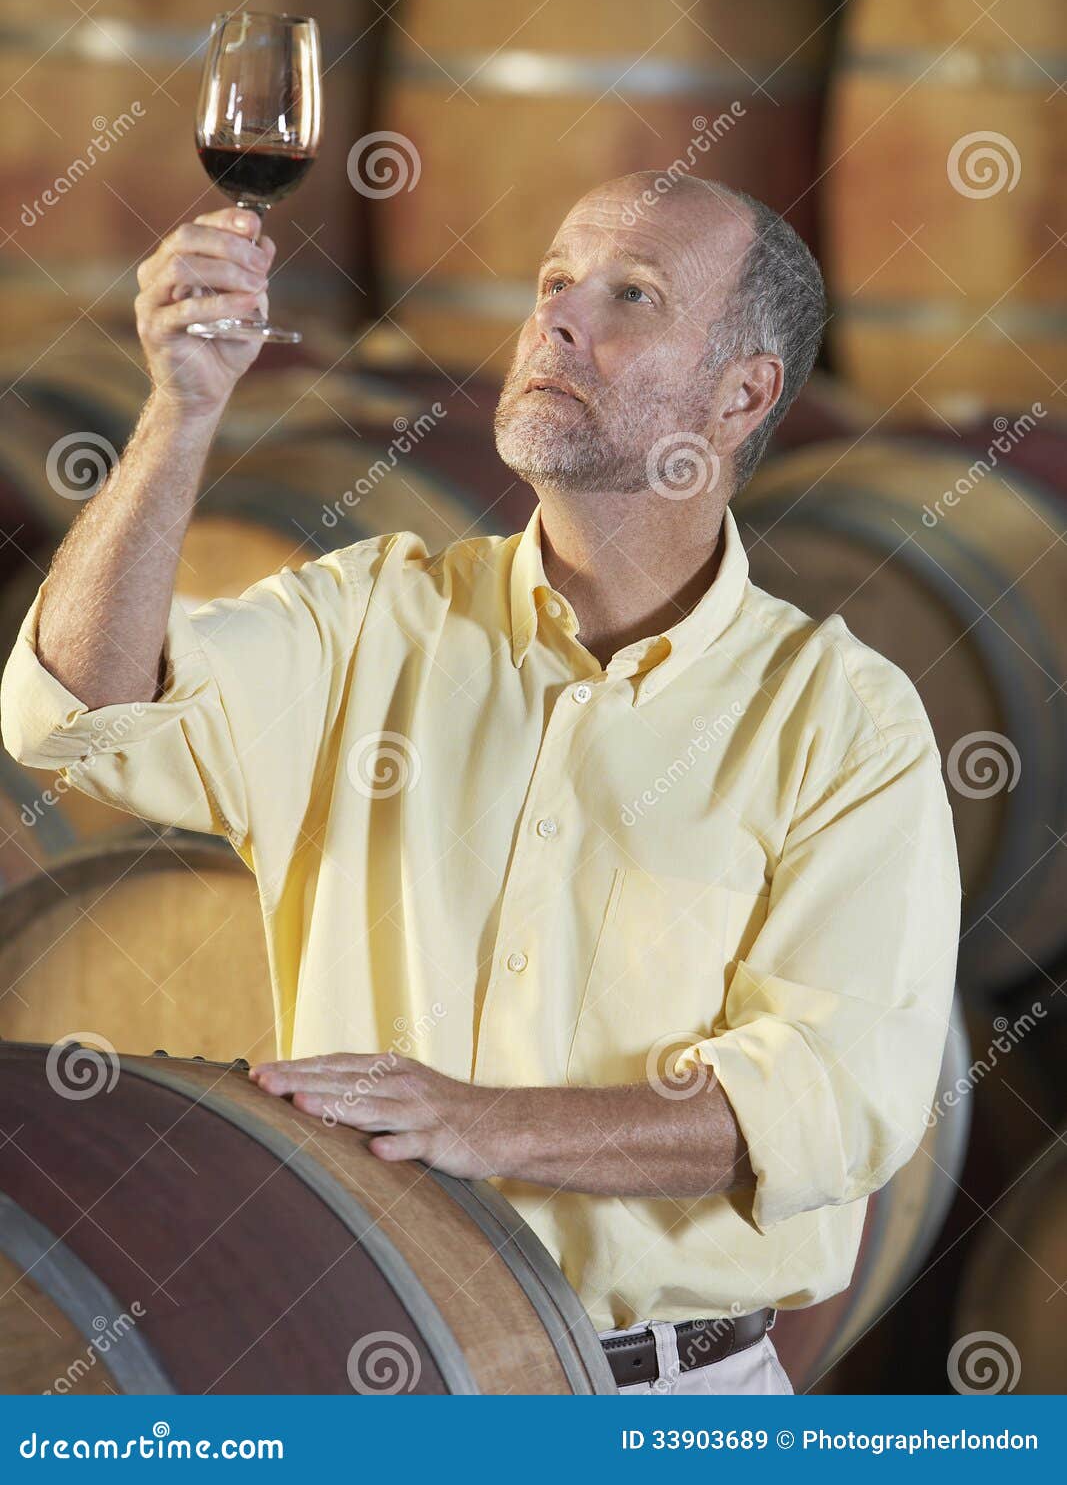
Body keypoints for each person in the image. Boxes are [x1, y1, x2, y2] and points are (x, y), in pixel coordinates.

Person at [0, 172, 961, 1395]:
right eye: (554, 281)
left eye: (631, 295)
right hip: (375, 1377)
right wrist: (179, 418)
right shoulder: (369, 620)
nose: (559, 318)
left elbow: (832, 1100)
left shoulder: (840, 719)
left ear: (741, 394)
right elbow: (74, 718)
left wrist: (482, 1122)